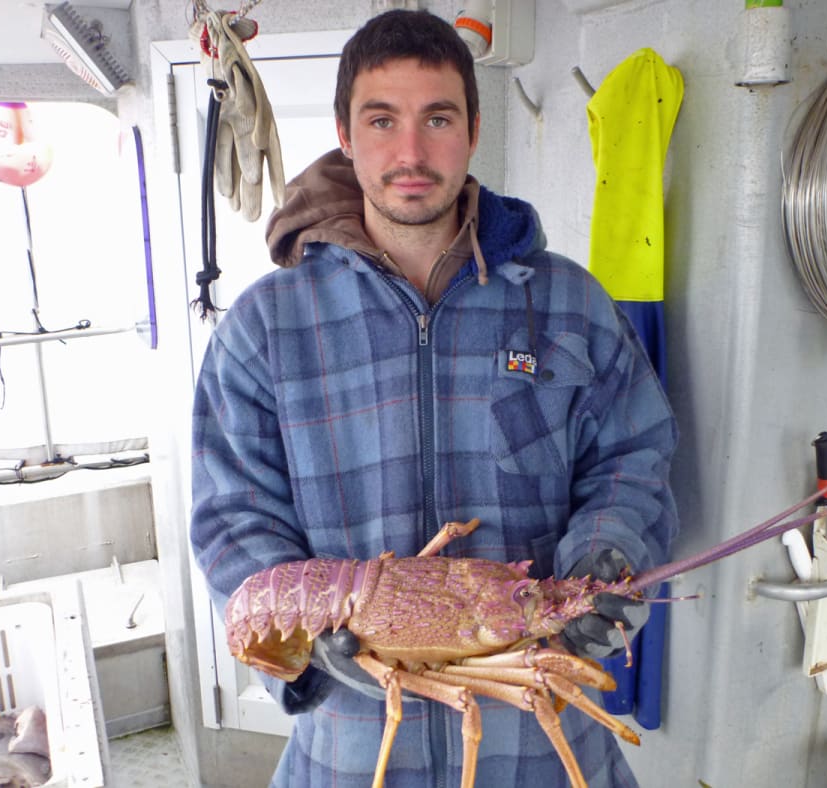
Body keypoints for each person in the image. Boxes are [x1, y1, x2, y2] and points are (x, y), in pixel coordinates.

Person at [190, 9, 678, 787]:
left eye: (438, 119)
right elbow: (230, 517)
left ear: (474, 130)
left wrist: (607, 554)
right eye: (382, 120)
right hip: (349, 759)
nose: (411, 153)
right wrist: (312, 648)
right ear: (345, 135)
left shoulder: (569, 303)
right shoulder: (262, 329)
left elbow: (634, 459)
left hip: (541, 755)